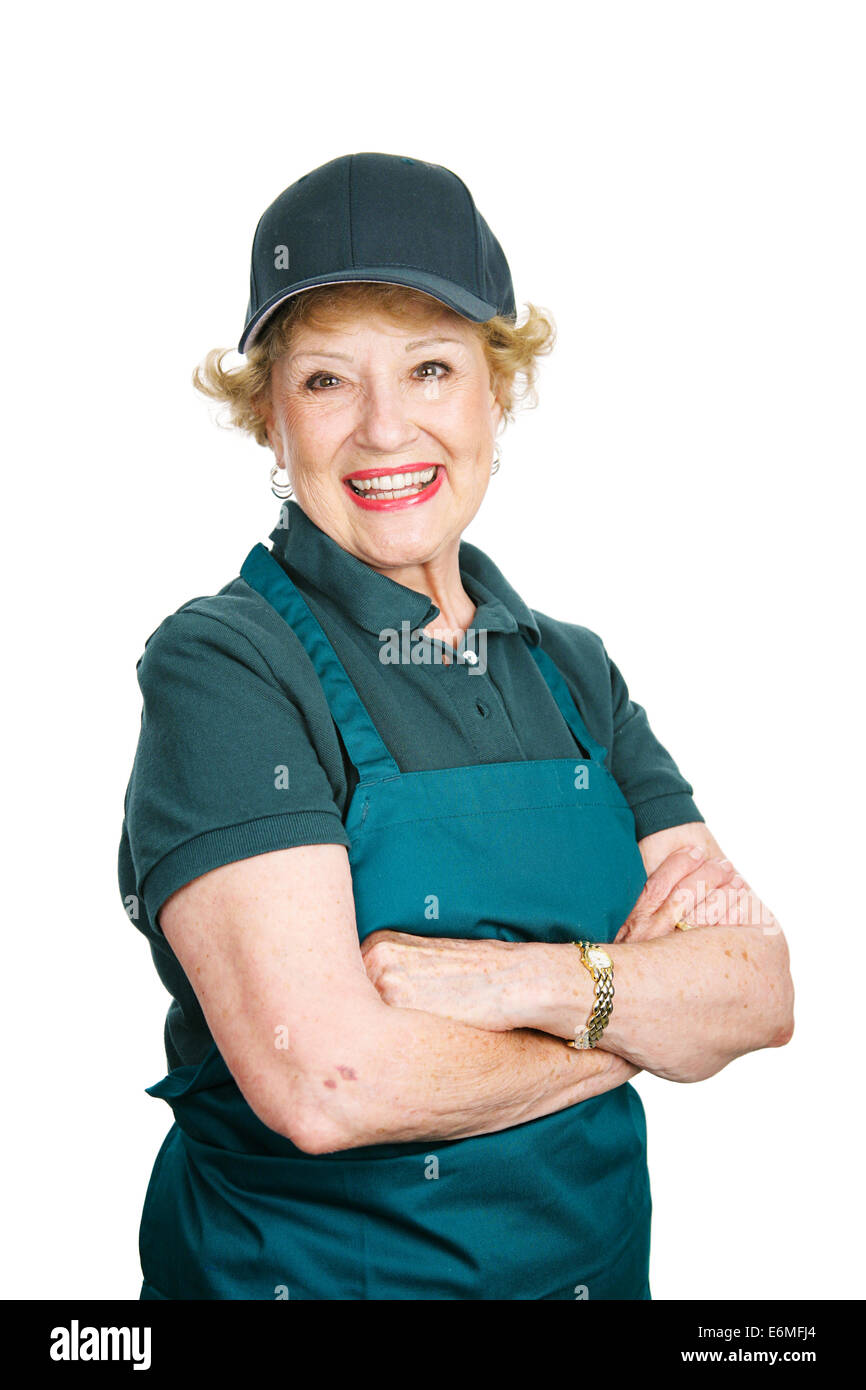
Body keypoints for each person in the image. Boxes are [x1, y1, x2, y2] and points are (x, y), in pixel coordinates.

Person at [118, 151, 794, 1301]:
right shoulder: (225, 666)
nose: (385, 431)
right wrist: (630, 1016)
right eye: (328, 381)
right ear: (268, 421)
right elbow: (326, 1082)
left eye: (430, 369)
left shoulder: (574, 672)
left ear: (496, 392)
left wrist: (506, 984)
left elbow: (757, 991)